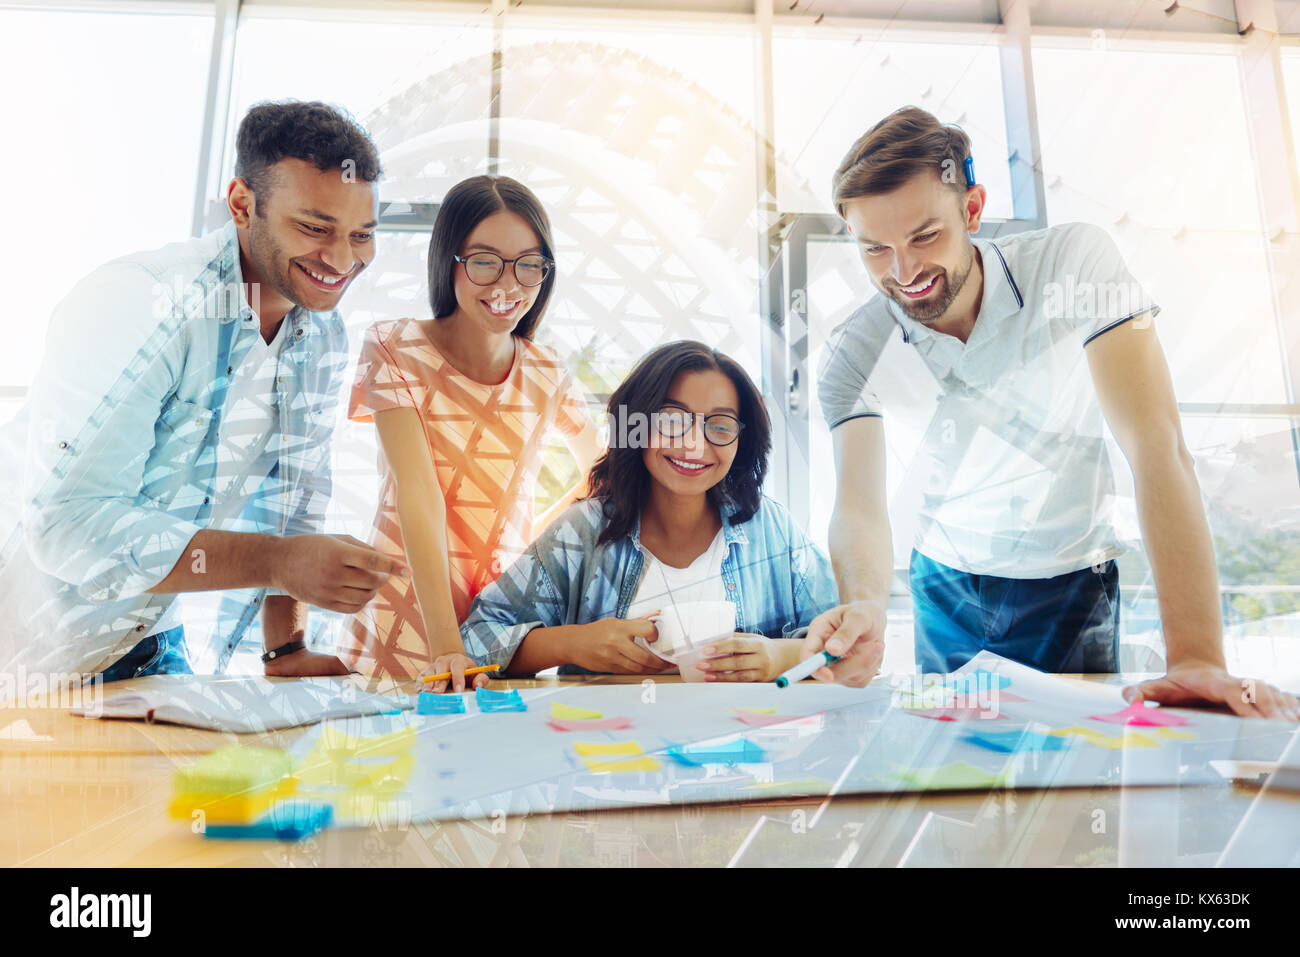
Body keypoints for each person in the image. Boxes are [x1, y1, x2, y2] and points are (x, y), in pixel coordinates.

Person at [801, 106, 1298, 721]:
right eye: (875, 249)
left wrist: (1196, 657)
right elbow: (858, 504)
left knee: (1078, 782)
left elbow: (1156, 446)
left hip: (1071, 581)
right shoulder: (853, 351)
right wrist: (866, 610)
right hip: (944, 589)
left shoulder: (1076, 263)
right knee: (951, 778)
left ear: (973, 209)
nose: (904, 272)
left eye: (925, 236)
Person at [0, 101, 405, 684]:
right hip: (25, 645)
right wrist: (276, 562)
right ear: (243, 205)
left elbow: (293, 494)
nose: (342, 259)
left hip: (143, 640)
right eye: (314, 228)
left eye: (361, 234)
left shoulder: (320, 333)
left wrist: (285, 649)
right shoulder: (140, 300)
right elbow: (71, 525)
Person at [346, 175, 602, 692]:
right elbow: (419, 494)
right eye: (485, 261)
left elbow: (604, 476)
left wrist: (532, 549)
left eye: (528, 265)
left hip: (499, 625)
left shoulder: (546, 371)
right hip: (409, 617)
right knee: (390, 767)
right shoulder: (394, 347)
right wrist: (446, 646)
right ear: (450, 260)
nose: (508, 286)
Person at [461, 340, 839, 681]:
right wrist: (573, 643)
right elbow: (474, 637)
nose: (694, 445)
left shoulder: (770, 529)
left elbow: (843, 640)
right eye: (672, 420)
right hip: (612, 752)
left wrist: (780, 656)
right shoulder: (582, 533)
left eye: (720, 426)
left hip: (740, 751)